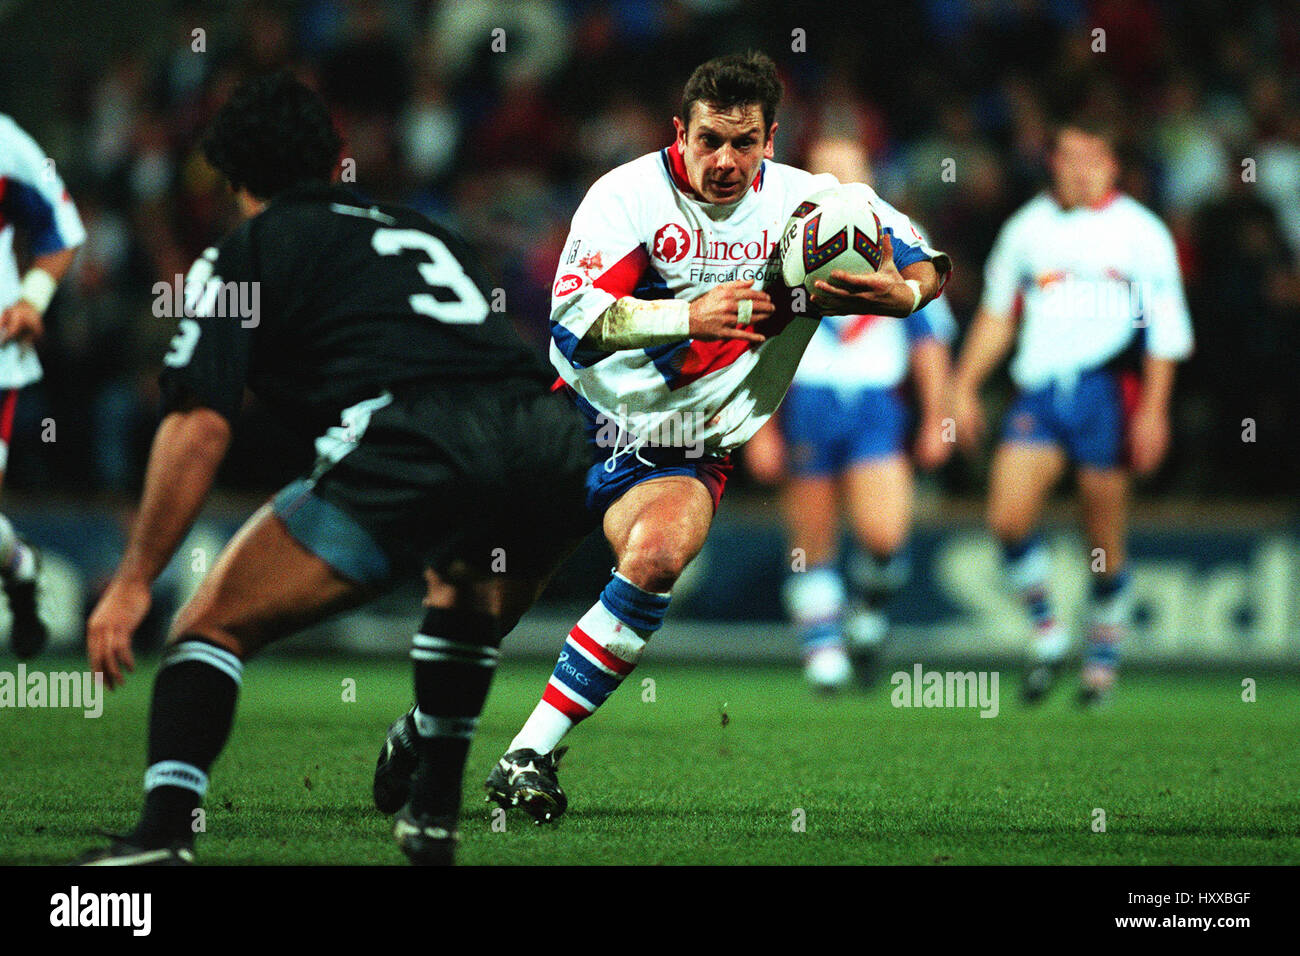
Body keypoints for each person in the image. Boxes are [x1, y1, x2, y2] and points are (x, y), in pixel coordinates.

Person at [375, 51, 950, 823]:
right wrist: (687, 313)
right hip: (576, 421)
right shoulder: (625, 196)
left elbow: (927, 265)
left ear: (771, 140)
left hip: (685, 445)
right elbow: (573, 322)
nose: (724, 160)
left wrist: (905, 292)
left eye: (744, 143)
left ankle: (528, 754)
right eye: (709, 139)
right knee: (490, 608)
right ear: (680, 129)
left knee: (656, 557)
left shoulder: (816, 208)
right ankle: (421, 728)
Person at [78, 71, 591, 866]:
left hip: (417, 437)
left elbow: (198, 422)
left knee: (210, 625)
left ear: (229, 177)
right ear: (338, 155)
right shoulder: (429, 231)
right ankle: (431, 820)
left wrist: (135, 575)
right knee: (461, 587)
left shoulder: (246, 251)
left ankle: (162, 837)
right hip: (547, 439)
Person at [951, 121, 1193, 705]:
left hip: (1106, 390)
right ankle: (1049, 635)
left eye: (1094, 156)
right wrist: (962, 386)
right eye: (1070, 156)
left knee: (1102, 536)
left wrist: (1155, 412)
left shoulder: (1141, 232)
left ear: (1112, 165)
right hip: (1039, 388)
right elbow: (998, 313)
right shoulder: (1028, 228)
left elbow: (1164, 331)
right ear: (1052, 161)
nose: (1081, 168)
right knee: (1007, 518)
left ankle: (1102, 661)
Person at [746, 139, 956, 691]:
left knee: (884, 536)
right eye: (826, 166)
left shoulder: (898, 239)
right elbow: (757, 344)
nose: (837, 176)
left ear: (869, 175)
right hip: (807, 399)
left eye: (850, 166)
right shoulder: (782, 240)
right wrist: (757, 428)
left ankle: (865, 611)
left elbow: (927, 339)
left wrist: (939, 415)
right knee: (811, 535)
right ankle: (823, 655)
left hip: (874, 403)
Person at [0, 113, 86, 658]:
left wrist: (32, 297)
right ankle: (19, 564)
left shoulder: (4, 143)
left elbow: (62, 225)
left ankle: (18, 565)